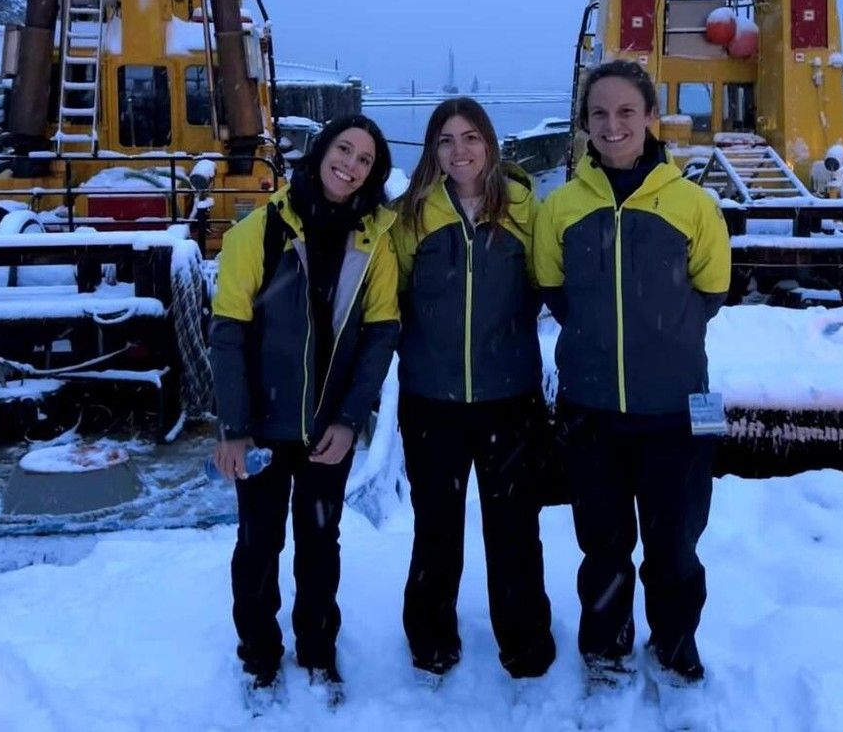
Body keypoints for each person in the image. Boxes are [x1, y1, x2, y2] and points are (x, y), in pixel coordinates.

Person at [533, 61, 731, 685]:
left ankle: (675, 644)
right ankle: (606, 644)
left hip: (678, 410)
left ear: (650, 117)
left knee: (675, 547)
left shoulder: (693, 205)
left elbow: (712, 291)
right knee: (604, 543)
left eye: (625, 112)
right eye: (599, 114)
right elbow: (553, 291)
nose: (612, 125)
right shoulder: (561, 207)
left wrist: (655, 341)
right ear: (585, 124)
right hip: (591, 411)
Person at [209, 114, 399, 697]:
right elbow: (229, 334)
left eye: (365, 160)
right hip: (263, 428)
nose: (351, 165)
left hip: (327, 431)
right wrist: (234, 428)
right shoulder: (257, 233)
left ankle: (318, 651)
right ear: (321, 151)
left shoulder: (373, 241)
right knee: (258, 543)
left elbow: (379, 337)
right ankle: (259, 656)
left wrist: (349, 421)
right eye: (344, 149)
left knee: (320, 544)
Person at [391, 97, 556, 681]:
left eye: (470, 137)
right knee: (436, 523)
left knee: (514, 524)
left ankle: (524, 636)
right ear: (432, 152)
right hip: (431, 399)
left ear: (490, 143)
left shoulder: (524, 210)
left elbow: (545, 284)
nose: (459, 151)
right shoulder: (411, 215)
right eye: (445, 140)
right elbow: (396, 296)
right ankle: (431, 634)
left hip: (508, 397)